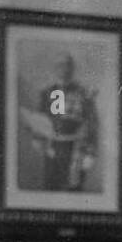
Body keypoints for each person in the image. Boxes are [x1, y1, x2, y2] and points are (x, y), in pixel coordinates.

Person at [37, 54, 99, 191]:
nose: (63, 69)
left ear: (72, 68)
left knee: (74, 189)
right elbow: (40, 121)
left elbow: (92, 123)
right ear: (55, 69)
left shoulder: (83, 93)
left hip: (76, 148)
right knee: (50, 188)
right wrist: (40, 142)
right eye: (60, 65)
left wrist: (90, 153)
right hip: (53, 147)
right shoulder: (47, 93)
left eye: (67, 65)